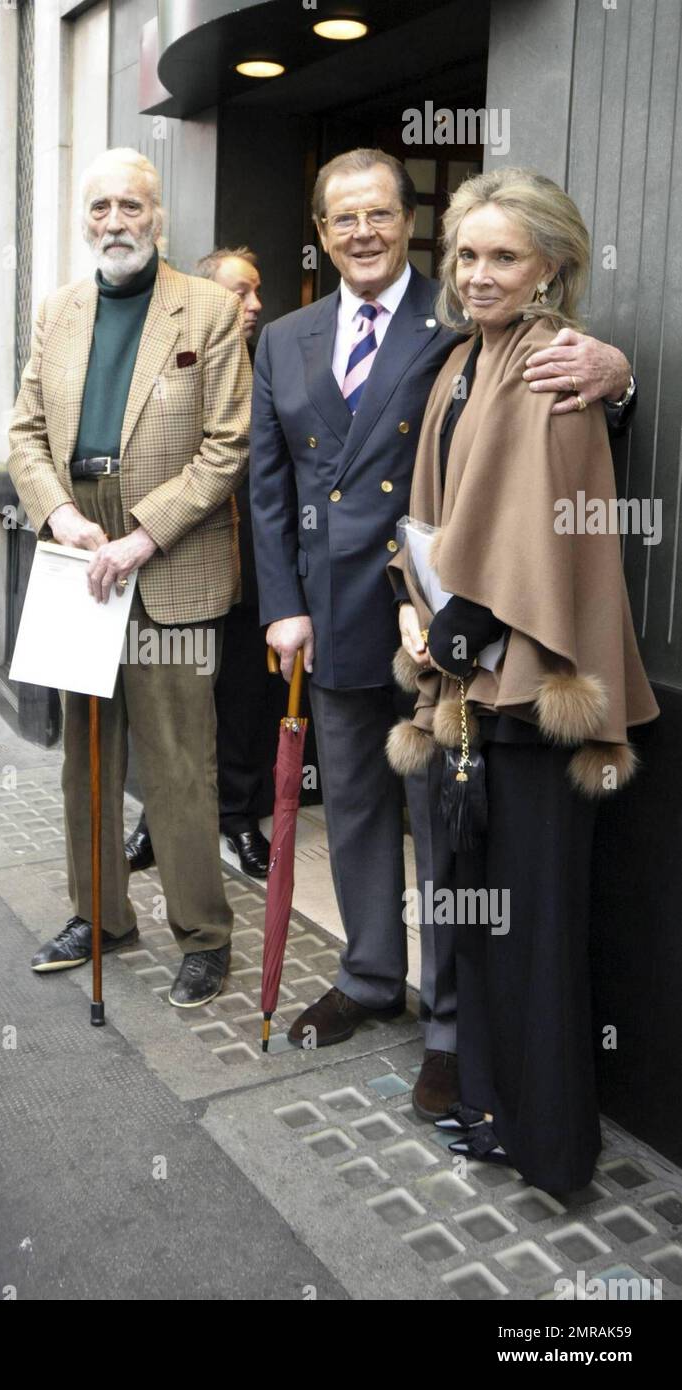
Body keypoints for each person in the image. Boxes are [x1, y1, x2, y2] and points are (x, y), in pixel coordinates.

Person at [250, 148, 636, 1118]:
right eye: (343, 219)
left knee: (446, 830)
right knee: (359, 812)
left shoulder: (461, 318)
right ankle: (372, 973)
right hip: (337, 613)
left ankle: (450, 1024)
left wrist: (618, 374)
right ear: (324, 230)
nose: (363, 232)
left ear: (406, 221)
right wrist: (281, 602)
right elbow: (268, 482)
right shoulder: (287, 335)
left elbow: (553, 408)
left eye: (379, 213)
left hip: (455, 622)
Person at [386, 167, 657, 1192]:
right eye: (467, 254)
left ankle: (551, 1146)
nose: (481, 272)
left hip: (531, 687)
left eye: (505, 255)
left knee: (535, 924)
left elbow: (549, 534)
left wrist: (460, 625)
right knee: (484, 913)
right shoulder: (466, 360)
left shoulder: (558, 362)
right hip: (469, 677)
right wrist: (419, 609)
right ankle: (492, 1111)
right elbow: (444, 516)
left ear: (551, 265)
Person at [8, 147, 251, 1007]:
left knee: (181, 762)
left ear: (159, 217)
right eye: (101, 207)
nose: (116, 221)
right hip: (79, 553)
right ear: (86, 218)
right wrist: (60, 518)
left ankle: (203, 935)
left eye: (132, 207)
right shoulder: (61, 310)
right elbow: (26, 432)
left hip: (170, 558)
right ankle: (101, 916)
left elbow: (227, 446)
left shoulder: (209, 309)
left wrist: (141, 535)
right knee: (88, 755)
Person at [124, 245, 278, 880]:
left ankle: (238, 816)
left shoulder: (274, 359)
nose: (254, 305)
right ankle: (157, 821)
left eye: (257, 291)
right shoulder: (172, 354)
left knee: (243, 698)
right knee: (175, 703)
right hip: (179, 556)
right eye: (242, 292)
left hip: (255, 565)